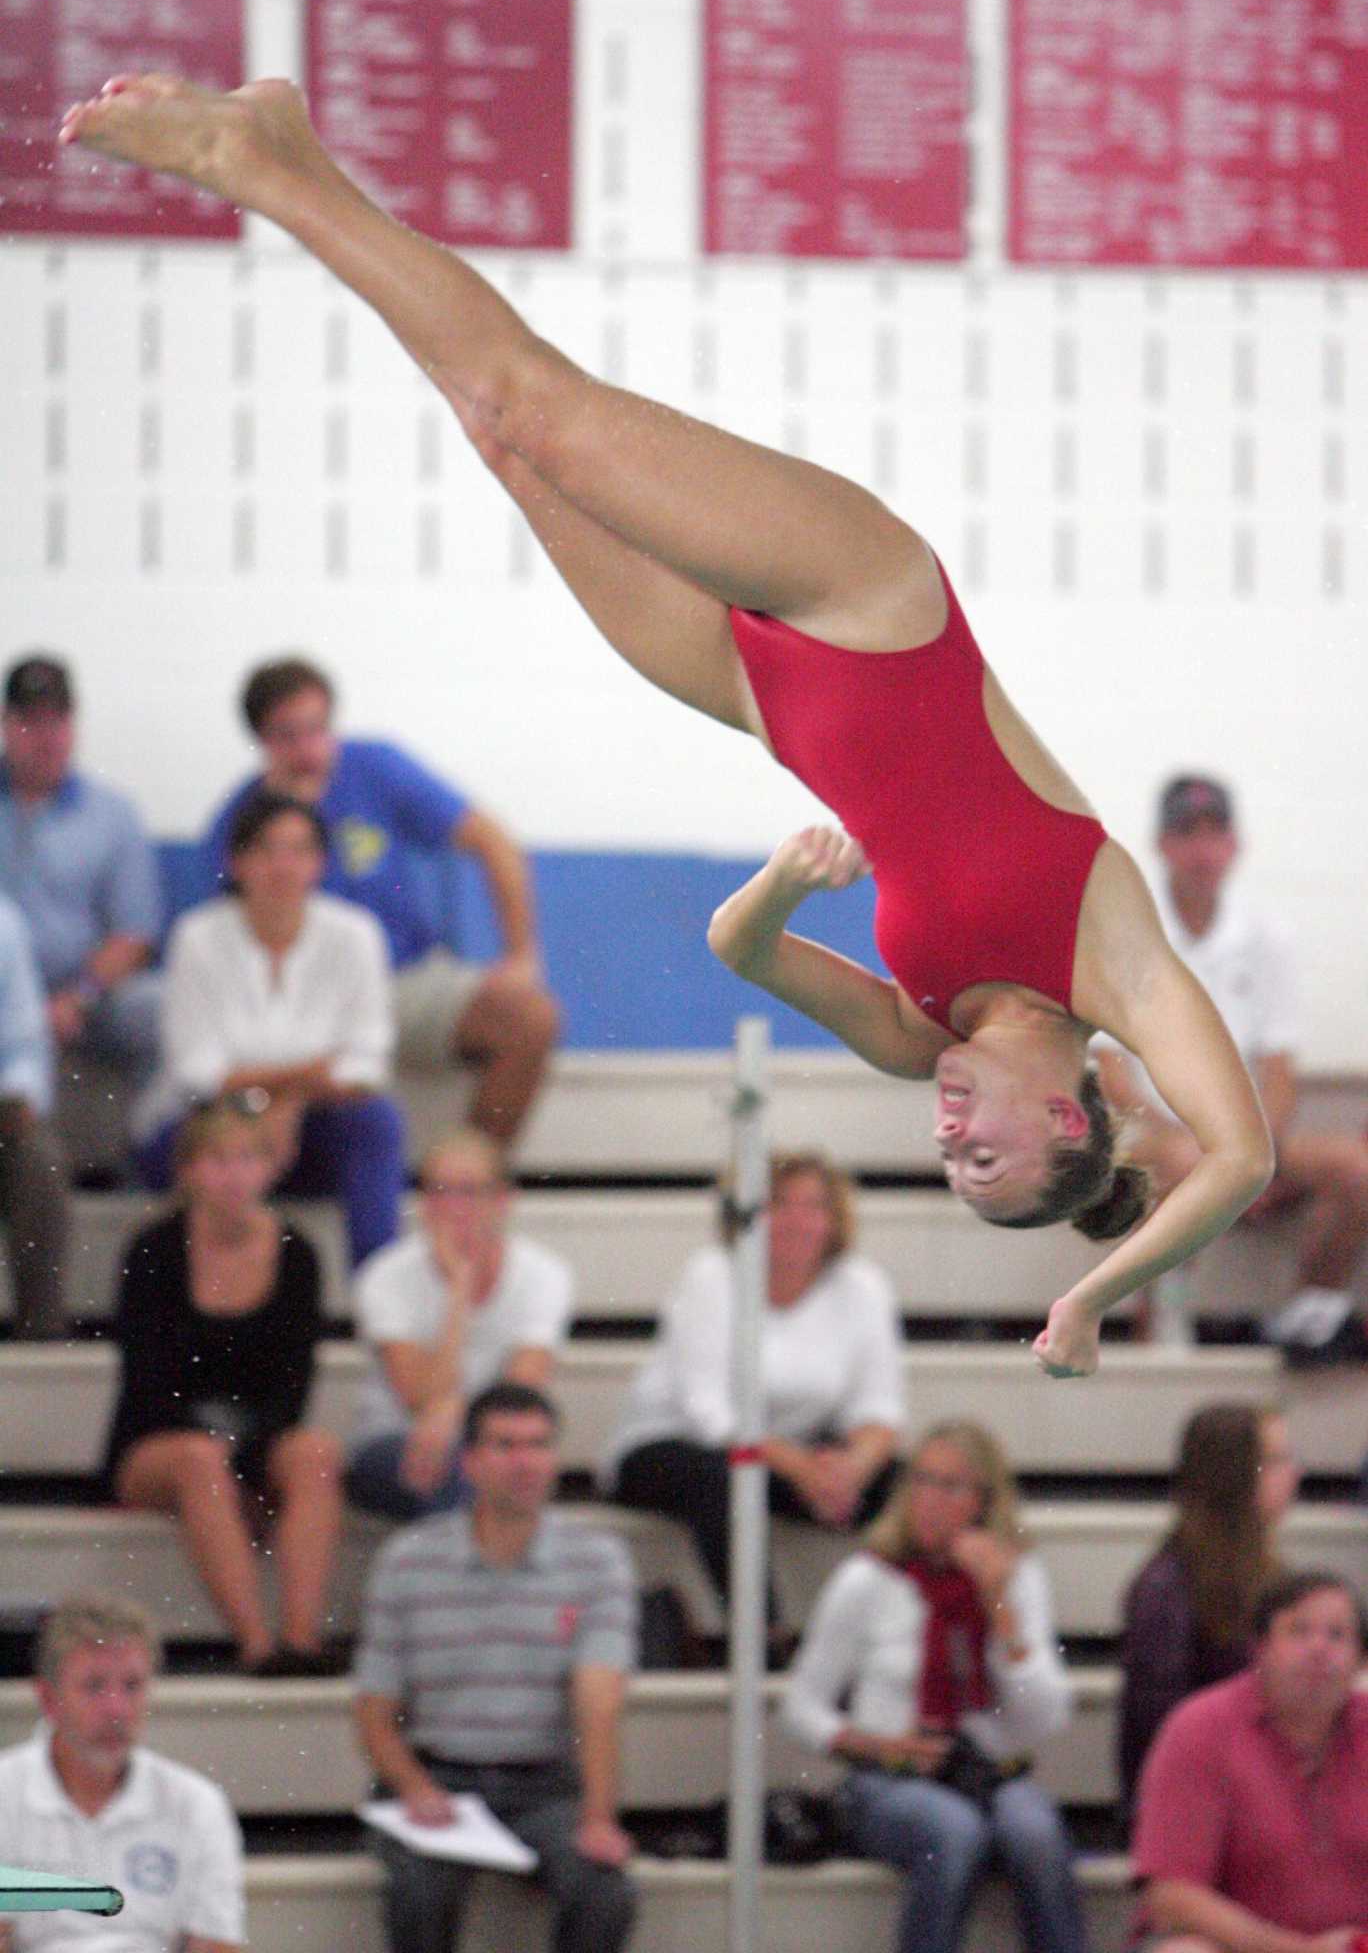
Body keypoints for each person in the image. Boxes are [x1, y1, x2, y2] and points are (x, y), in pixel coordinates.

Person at [58, 75, 1277, 1376]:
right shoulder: (1115, 963)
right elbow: (1243, 1157)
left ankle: (287, 155)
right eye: (984, 1158)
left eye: (951, 1166)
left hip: (754, 694)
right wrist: (1090, 1299)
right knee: (535, 404)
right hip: (865, 602)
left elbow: (737, 948)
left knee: (500, 439)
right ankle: (249, 160)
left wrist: (782, 885)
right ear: (1068, 1119)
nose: (949, 1139)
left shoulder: (913, 1035)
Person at [202, 657, 559, 1150]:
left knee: (531, 1018)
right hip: (311, 1001)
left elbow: (494, 841)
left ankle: (469, 1172)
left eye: (318, 728)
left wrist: (521, 956)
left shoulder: (375, 767)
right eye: (288, 735)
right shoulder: (241, 823)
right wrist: (291, 823)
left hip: (404, 979)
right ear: (260, 740)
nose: (308, 750)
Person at [352, 1381, 638, 1953]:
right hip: (437, 1773)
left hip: (546, 1786)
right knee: (418, 1892)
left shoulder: (596, 1562)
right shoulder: (408, 1560)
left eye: (539, 1445)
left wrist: (598, 1816)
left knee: (605, 1890)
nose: (525, 1462)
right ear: (470, 1461)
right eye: (505, 1445)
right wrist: (414, 1788)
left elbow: (598, 1702)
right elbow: (373, 1709)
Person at [783, 1420, 1084, 1953]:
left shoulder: (1017, 1577)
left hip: (988, 1772)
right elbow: (801, 1706)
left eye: (950, 1486)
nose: (929, 1500)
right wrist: (878, 1745)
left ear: (984, 1502)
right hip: (889, 1776)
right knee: (952, 1831)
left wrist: (999, 1607)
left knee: (1035, 1834)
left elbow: (1047, 1717)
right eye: (920, 1481)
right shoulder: (869, 1578)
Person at [1096, 774, 1368, 1365]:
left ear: (1234, 846)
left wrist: (1253, 1154)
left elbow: (1279, 1071)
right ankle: (1165, 1315)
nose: (1202, 851)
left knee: (1355, 1168)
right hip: (1159, 1137)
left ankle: (1311, 1313)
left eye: (1214, 835)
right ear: (1163, 845)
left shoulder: (1266, 939)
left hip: (1243, 1138)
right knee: (1184, 1162)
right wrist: (1199, 1144)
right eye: (1187, 835)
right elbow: (1112, 1072)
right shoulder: (1129, 933)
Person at [604, 1150, 903, 1633]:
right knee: (724, 1481)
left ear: (835, 1219)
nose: (796, 1220)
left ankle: (896, 1637)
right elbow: (708, 1413)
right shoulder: (712, 1274)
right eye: (778, 1203)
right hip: (675, 1448)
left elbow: (879, 1408)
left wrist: (852, 1469)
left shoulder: (862, 1286)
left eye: (814, 1206)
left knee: (907, 1483)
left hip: (781, 1460)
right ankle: (762, 1638)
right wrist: (801, 1468)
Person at [105, 1098, 344, 1674]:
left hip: (257, 1440)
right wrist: (225, 1463)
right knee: (197, 1458)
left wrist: (243, 1461)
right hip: (160, 1441)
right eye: (218, 1160)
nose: (234, 1175)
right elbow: (147, 1384)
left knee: (316, 1453)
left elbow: (293, 1387)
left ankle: (301, 1638)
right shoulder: (153, 1251)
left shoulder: (297, 1255)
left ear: (270, 1167)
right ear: (189, 1170)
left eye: (247, 1158)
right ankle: (255, 1644)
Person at [134, 789, 405, 1269]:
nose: (283, 867)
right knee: (196, 1151)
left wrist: (289, 1102)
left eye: (299, 851)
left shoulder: (356, 935)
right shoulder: (198, 937)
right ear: (236, 862)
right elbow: (196, 1070)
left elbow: (367, 1061)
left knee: (375, 1123)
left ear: (320, 863)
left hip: (312, 1133)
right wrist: (280, 1096)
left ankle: (377, 1290)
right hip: (214, 1124)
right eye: (266, 850)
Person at [1130, 1569, 1368, 1951]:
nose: (1319, 1648)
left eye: (1337, 1635)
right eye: (1299, 1631)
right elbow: (1171, 1895)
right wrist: (1296, 1950)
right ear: (1260, 1649)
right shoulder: (1200, 1728)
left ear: (1360, 1660)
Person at [347, 1127, 573, 1521]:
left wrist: (451, 1415)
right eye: (438, 1191)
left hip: (492, 1441)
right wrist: (458, 1294)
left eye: (468, 1192)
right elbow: (417, 1398)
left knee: (484, 1465)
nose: (452, 1206)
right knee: (448, 1468)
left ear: (502, 1199)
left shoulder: (544, 1274)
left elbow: (517, 1396)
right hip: (394, 1437)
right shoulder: (384, 1276)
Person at [0, 1592, 244, 1953]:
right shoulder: (5, 1793)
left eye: (132, 1686)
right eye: (94, 1686)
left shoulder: (196, 1804)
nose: (116, 1709)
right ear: (48, 1699)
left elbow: (216, 1945)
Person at [1117, 1402, 1298, 1832]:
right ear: (1233, 1475)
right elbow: (1158, 1734)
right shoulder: (1167, 1589)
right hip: (1202, 1812)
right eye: (1275, 1460)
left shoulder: (1272, 1575)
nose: (1294, 1473)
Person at [0, 655, 162, 1100]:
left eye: (58, 721)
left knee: (156, 1007)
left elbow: (135, 934)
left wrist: (79, 996)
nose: (46, 737)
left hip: (84, 997)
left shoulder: (113, 814)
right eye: (31, 722)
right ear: (6, 724)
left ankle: (152, 1140)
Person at [0, 895, 69, 1339]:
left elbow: (25, 1047)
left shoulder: (3, 923)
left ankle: (40, 1338)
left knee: (39, 1158)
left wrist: (17, 1098)